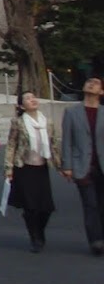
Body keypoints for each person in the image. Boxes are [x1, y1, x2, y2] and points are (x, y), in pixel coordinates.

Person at [5, 91, 59, 253]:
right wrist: (8, 168)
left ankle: (39, 230)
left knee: (46, 208)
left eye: (33, 97)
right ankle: (35, 237)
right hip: (24, 167)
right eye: (27, 99)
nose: (32, 100)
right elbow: (11, 145)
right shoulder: (18, 122)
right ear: (22, 106)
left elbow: (53, 144)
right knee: (31, 206)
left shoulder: (47, 122)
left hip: (42, 167)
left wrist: (61, 166)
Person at [58, 75, 104, 256]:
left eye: (96, 83)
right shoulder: (72, 112)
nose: (91, 84)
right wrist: (67, 166)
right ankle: (96, 240)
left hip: (101, 165)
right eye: (88, 82)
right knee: (90, 204)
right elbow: (67, 141)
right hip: (82, 165)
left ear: (101, 92)